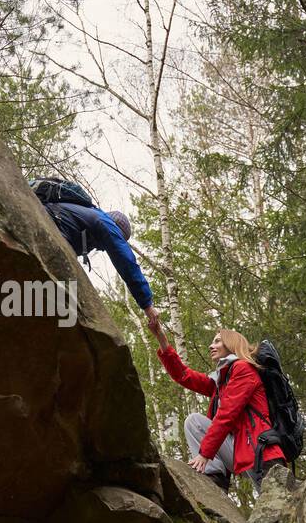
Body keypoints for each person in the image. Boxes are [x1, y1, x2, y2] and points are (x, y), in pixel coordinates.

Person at [148, 321, 286, 494]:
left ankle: (214, 474)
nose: (211, 345)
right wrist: (161, 338)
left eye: (217, 341)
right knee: (194, 422)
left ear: (231, 344)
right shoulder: (221, 382)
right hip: (241, 452)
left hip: (262, 453)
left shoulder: (243, 369)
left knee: (278, 513)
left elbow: (226, 414)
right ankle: (216, 478)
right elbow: (185, 376)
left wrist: (205, 453)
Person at [37, 185, 159, 329]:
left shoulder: (83, 222)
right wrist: (147, 304)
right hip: (45, 227)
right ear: (116, 231)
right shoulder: (104, 222)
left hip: (48, 228)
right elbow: (126, 261)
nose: (106, 248)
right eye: (117, 238)